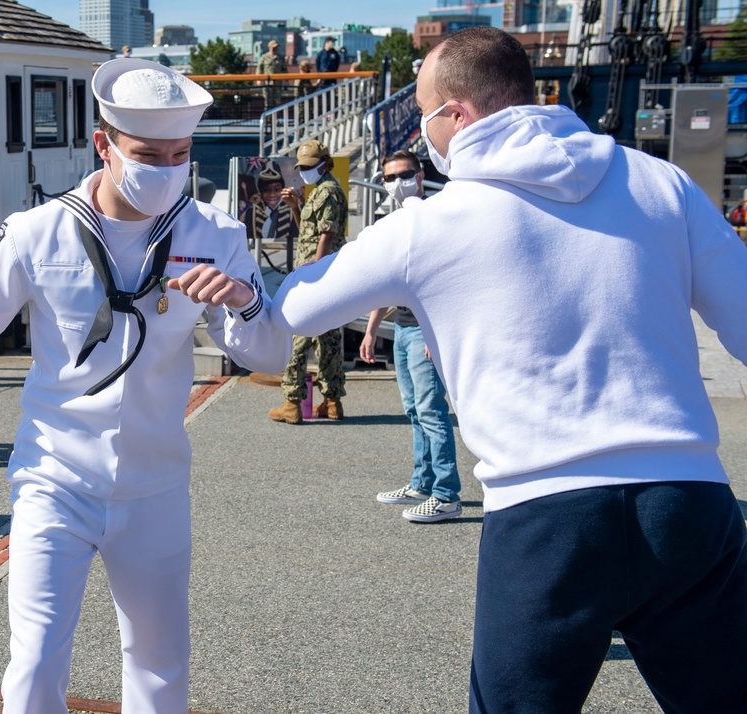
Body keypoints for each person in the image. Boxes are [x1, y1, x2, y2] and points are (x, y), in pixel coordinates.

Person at [272, 27, 747, 712]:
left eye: (427, 114)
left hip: (545, 513)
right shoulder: (660, 182)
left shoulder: (429, 225)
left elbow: (295, 308)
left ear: (457, 115)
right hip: (689, 498)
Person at [0, 58, 291, 714]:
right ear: (104, 144)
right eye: (147, 153)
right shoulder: (38, 233)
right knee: (36, 661)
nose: (168, 167)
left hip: (154, 487)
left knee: (159, 664)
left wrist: (243, 302)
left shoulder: (215, 234)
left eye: (181, 154)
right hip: (53, 479)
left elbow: (267, 350)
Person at [361, 150, 462, 523]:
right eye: (389, 177)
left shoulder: (436, 220)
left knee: (433, 412)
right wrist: (372, 330)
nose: (396, 182)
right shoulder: (393, 222)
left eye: (404, 174)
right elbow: (386, 283)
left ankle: (446, 494)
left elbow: (447, 284)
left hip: (423, 330)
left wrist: (438, 336)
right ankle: (422, 482)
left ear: (420, 176)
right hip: (402, 328)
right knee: (414, 411)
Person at [268, 140, 346, 424]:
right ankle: (332, 401)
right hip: (323, 273)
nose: (305, 172)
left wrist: (314, 272)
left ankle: (292, 402)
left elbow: (326, 235)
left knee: (297, 335)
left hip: (318, 276)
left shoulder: (328, 192)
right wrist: (295, 206)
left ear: (325, 164)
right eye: (303, 167)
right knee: (328, 338)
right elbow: (309, 233)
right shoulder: (321, 191)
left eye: (310, 167)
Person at [243, 162, 298, 245]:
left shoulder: (291, 212)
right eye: (266, 190)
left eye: (277, 190)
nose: (272, 195)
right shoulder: (251, 213)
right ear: (261, 192)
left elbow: (296, 238)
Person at [257, 39, 286, 109]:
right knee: (268, 101)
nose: (275, 49)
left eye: (276, 47)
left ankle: (275, 118)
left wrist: (286, 80)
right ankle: (268, 118)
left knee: (277, 101)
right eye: (273, 47)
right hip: (267, 83)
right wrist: (258, 79)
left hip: (277, 83)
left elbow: (284, 69)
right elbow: (259, 68)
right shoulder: (264, 57)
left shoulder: (280, 57)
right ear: (269, 47)